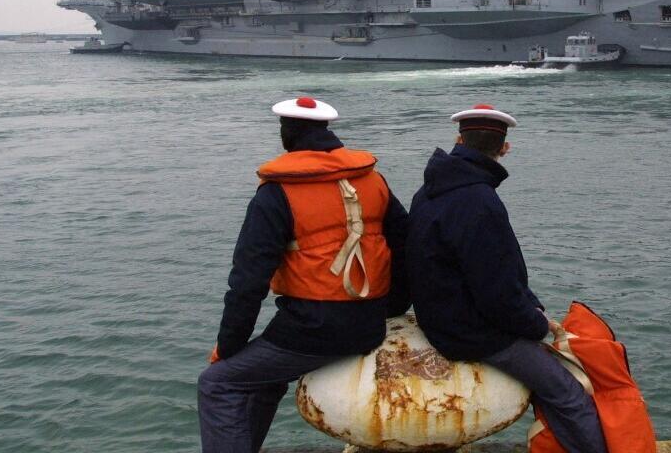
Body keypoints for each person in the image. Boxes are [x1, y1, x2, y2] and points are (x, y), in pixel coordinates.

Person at [198, 97, 409, 453]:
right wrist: (391, 307)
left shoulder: (276, 193)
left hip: (312, 330)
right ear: (327, 131)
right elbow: (405, 244)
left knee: (218, 382)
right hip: (369, 323)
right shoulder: (372, 180)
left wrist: (229, 347)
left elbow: (248, 283)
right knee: (264, 379)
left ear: (286, 135)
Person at [405, 104, 606, 453]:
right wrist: (536, 325)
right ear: (505, 148)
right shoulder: (480, 200)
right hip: (469, 333)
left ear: (459, 140)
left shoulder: (427, 192)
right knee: (569, 393)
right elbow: (497, 294)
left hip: (439, 318)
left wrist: (531, 307)